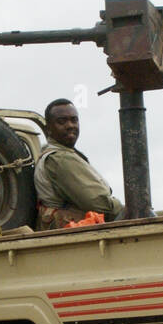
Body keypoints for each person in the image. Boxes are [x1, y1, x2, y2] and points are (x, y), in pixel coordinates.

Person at [34, 98, 124, 230]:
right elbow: (100, 205)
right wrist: (125, 208)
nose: (70, 125)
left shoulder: (62, 153)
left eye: (74, 120)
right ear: (48, 129)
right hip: (73, 233)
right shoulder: (59, 158)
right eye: (62, 121)